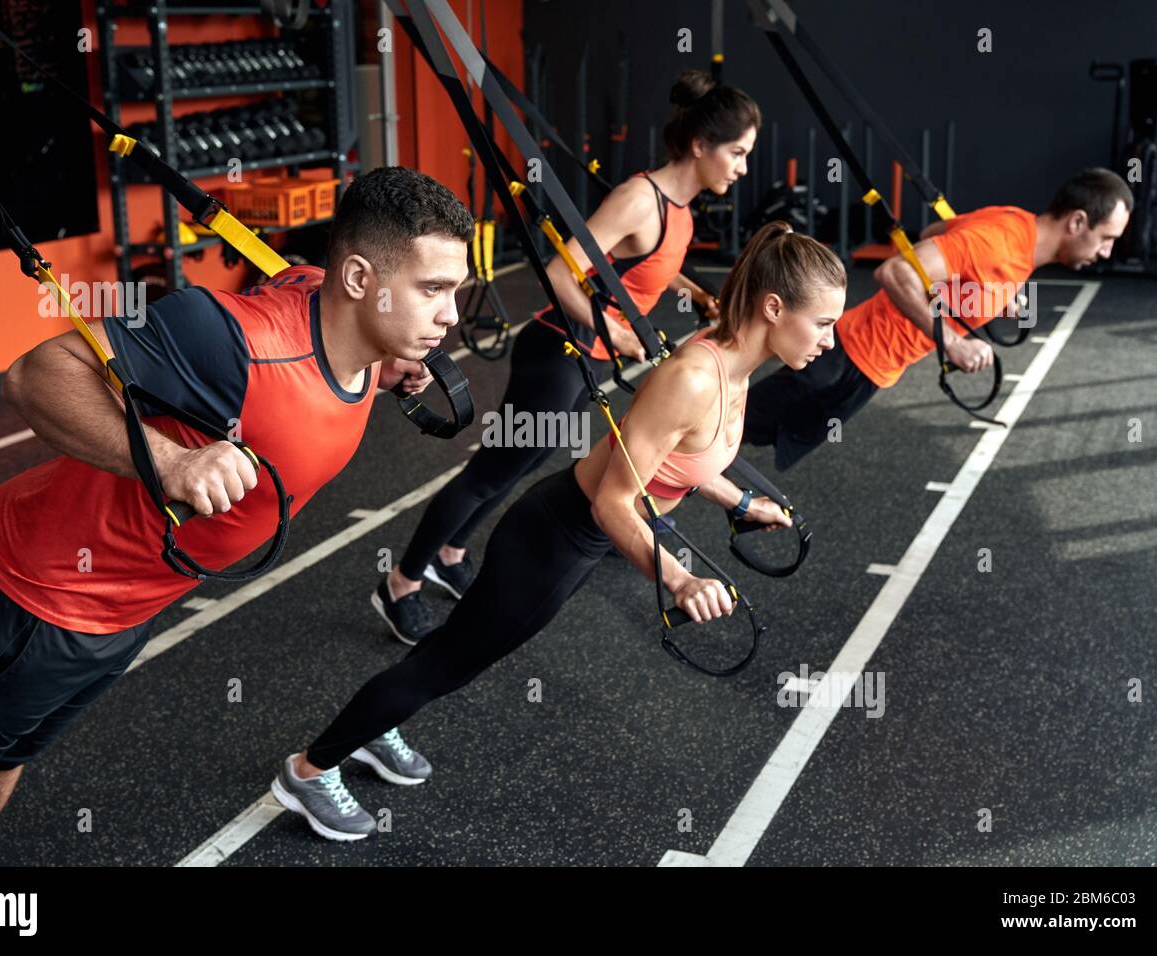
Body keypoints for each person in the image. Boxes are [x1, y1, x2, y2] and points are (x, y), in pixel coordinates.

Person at [0, 166, 473, 866]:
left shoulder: (342, 326)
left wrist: (381, 371)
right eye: (433, 290)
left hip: (126, 608)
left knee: (4, 754)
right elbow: (37, 374)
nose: (451, 315)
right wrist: (172, 463)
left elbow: (311, 379)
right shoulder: (226, 335)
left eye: (455, 290)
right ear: (354, 278)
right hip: (37, 598)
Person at [273, 221, 846, 841]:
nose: (829, 340)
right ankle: (310, 769)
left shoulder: (733, 369)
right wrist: (679, 579)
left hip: (573, 538)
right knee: (450, 662)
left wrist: (739, 501)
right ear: (773, 307)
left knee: (454, 652)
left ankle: (377, 722)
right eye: (823, 323)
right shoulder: (696, 378)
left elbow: (674, 459)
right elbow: (614, 501)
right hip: (555, 538)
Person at [372, 69, 763, 644]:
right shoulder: (640, 199)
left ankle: (451, 554)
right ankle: (399, 584)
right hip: (557, 350)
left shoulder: (680, 208)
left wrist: (695, 293)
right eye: (737, 152)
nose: (742, 166)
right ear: (701, 146)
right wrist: (615, 329)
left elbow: (648, 264)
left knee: (526, 464)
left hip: (591, 357)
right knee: (492, 472)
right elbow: (560, 271)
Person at [742, 167, 1134, 470]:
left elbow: (934, 234)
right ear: (1078, 222)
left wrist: (990, 294)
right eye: (1106, 239)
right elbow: (895, 271)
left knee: (743, 433)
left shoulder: (1018, 229)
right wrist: (955, 342)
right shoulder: (1000, 241)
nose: (1106, 252)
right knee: (729, 427)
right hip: (846, 358)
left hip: (869, 367)